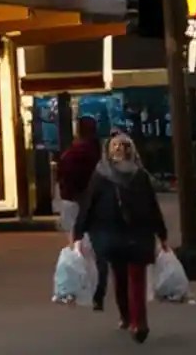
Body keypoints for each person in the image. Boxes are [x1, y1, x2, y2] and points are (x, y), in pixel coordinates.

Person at [72, 132, 168, 343]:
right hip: (132, 233)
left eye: (121, 147)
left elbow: (89, 205)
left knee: (128, 277)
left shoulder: (104, 175)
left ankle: (133, 319)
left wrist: (78, 234)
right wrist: (162, 235)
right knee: (130, 278)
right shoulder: (134, 175)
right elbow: (152, 207)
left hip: (119, 234)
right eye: (117, 147)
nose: (119, 151)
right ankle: (133, 319)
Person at [58, 116, 107, 306]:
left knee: (77, 244)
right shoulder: (98, 151)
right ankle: (98, 290)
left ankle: (78, 284)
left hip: (74, 200)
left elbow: (64, 175)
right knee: (96, 246)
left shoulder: (74, 152)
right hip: (95, 201)